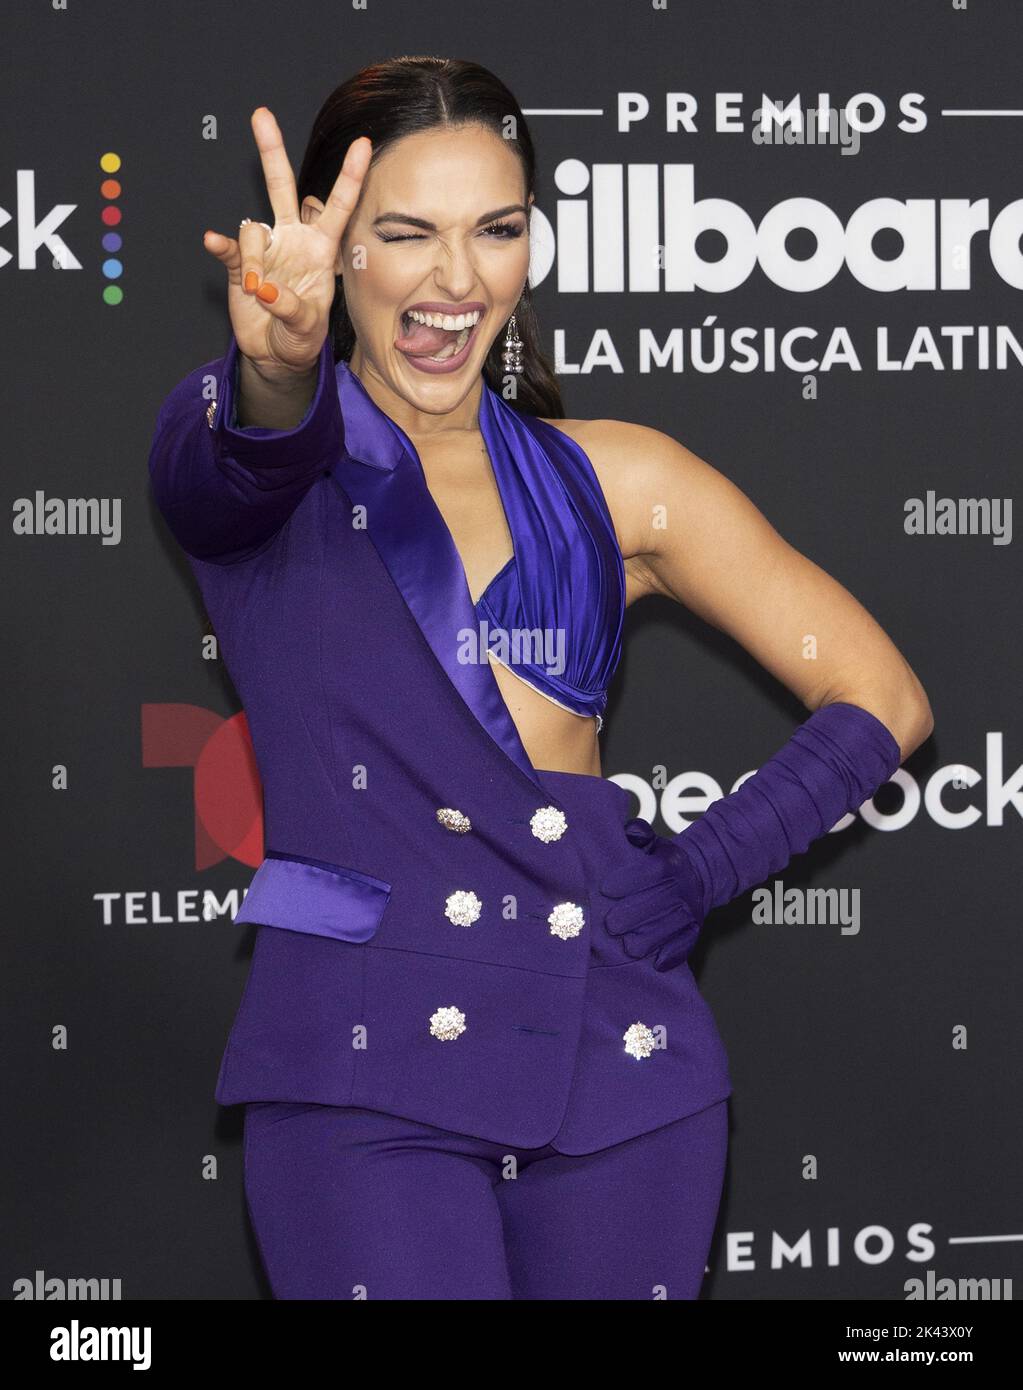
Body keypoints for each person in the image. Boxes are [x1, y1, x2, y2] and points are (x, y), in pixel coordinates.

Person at [148, 57, 933, 1301]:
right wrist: (281, 367)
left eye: (496, 230)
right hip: (361, 1072)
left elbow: (884, 698)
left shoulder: (621, 477)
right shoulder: (261, 458)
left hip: (623, 1066)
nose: (457, 280)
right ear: (330, 247)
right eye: (404, 233)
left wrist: (694, 870)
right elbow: (229, 461)